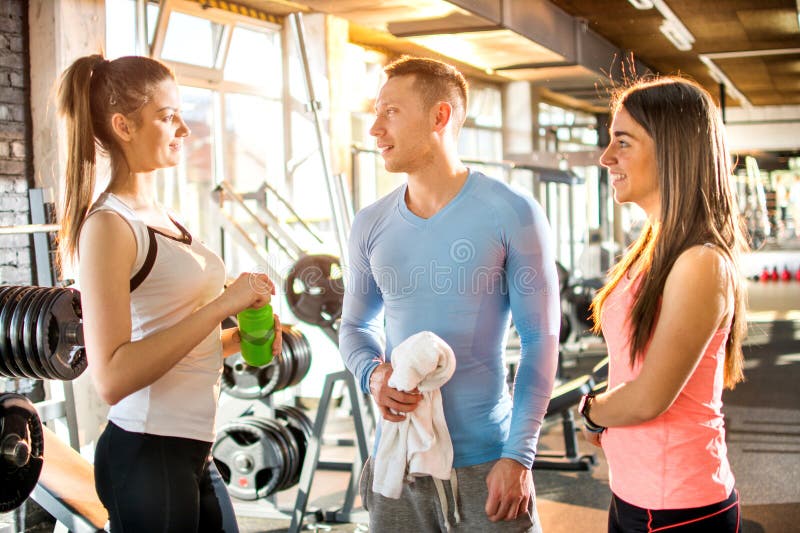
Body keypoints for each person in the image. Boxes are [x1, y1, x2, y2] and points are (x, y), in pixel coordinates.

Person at [57, 54, 282, 532]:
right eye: (167, 116)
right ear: (124, 126)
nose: (185, 128)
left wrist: (238, 335)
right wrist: (225, 304)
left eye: (180, 113)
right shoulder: (109, 226)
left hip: (194, 447)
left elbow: (175, 344)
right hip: (147, 450)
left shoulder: (163, 215)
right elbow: (113, 376)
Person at [340, 56, 560, 532]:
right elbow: (355, 327)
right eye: (375, 113)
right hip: (397, 461)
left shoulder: (512, 212)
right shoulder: (370, 223)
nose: (375, 128)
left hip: (488, 462)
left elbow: (540, 339)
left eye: (391, 112)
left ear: (440, 116)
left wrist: (519, 456)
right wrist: (373, 376)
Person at [581, 76, 748, 532]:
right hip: (636, 491)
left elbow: (649, 397)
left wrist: (590, 412)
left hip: (678, 506)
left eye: (623, 142)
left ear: (672, 149)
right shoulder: (654, 246)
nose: (606, 157)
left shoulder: (700, 261)